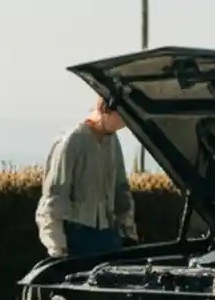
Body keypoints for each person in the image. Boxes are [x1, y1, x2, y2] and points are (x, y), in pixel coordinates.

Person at [34, 96, 138, 258]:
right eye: (121, 118)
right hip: (77, 234)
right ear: (106, 111)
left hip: (108, 234)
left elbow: (121, 190)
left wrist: (128, 232)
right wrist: (57, 246)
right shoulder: (71, 141)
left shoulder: (112, 142)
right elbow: (55, 196)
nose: (124, 125)